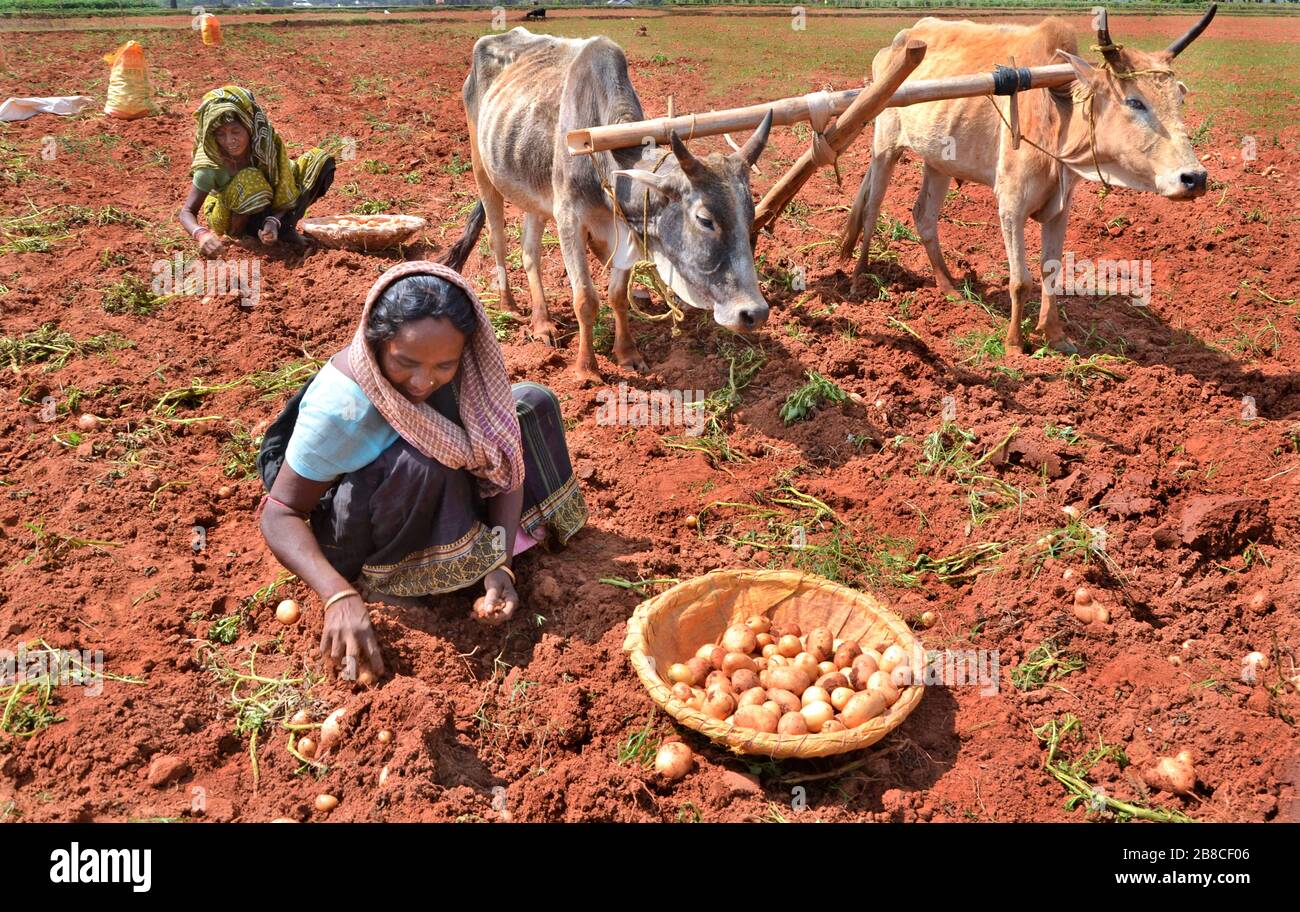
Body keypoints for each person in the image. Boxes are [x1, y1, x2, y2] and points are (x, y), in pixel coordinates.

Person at [257, 254, 587, 681]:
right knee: (424, 460)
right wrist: (335, 593)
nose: (421, 382)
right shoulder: (342, 406)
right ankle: (390, 584)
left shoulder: (470, 371)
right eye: (405, 362)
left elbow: (501, 457)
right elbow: (280, 511)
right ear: (377, 342)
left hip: (430, 484)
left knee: (529, 406)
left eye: (442, 366)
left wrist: (501, 563)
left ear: (465, 352)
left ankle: (485, 551)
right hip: (353, 523)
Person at [178, 85, 335, 259]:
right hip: (229, 217)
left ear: (249, 127)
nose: (230, 141)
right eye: (221, 134)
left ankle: (284, 228)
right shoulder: (211, 165)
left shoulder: (265, 146)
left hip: (265, 205)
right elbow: (187, 212)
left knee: (318, 162)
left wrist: (274, 221)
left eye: (235, 131)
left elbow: (284, 185)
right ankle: (243, 237)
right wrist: (201, 234)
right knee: (250, 179)